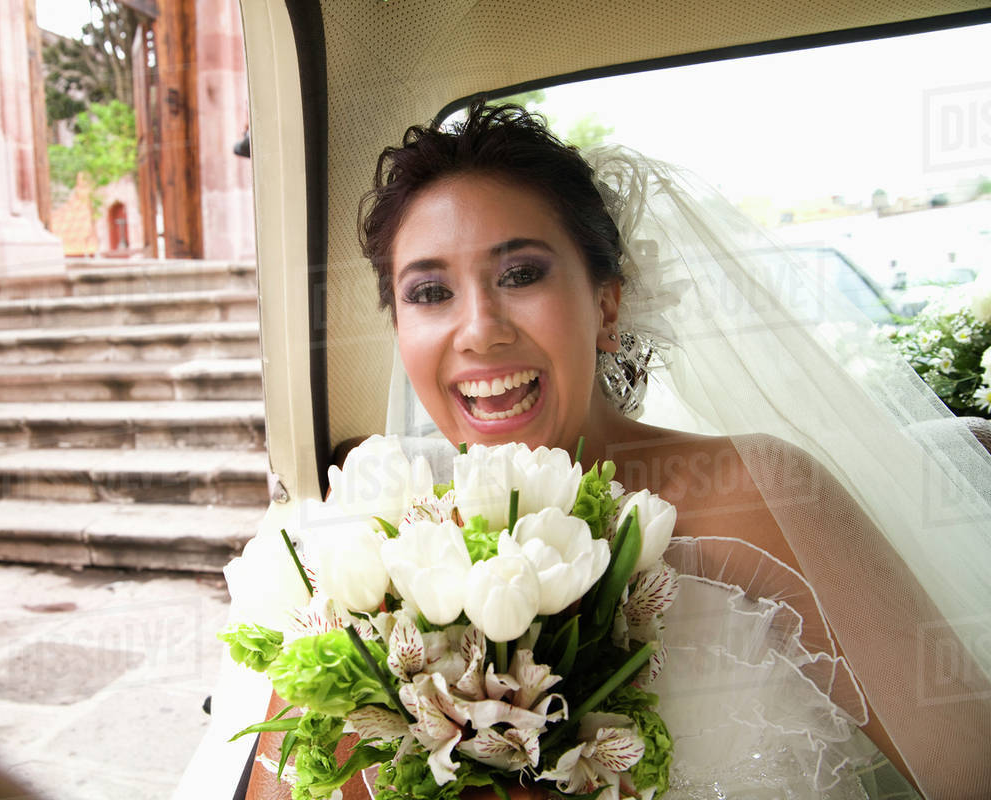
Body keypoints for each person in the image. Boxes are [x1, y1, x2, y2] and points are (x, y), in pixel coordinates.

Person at [244, 102, 991, 799]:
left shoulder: (756, 490)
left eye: (520, 274)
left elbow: (969, 771)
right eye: (430, 293)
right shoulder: (368, 549)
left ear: (606, 305)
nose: (478, 329)